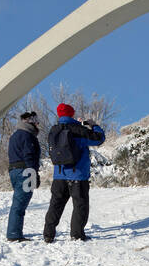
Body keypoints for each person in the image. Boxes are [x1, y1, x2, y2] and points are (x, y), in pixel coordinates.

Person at [42, 104, 105, 243]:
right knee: (80, 205)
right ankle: (77, 234)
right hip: (77, 175)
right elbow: (99, 138)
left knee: (55, 205)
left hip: (59, 174)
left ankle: (48, 234)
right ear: (72, 114)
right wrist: (93, 125)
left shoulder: (53, 130)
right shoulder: (78, 129)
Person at [6, 111, 41, 241]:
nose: (38, 124)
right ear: (30, 122)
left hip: (14, 171)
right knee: (20, 204)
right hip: (25, 171)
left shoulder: (15, 135)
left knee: (18, 201)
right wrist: (34, 173)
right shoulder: (27, 136)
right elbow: (29, 156)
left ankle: (14, 231)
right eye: (36, 121)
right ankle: (14, 234)